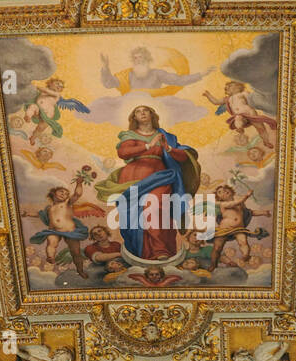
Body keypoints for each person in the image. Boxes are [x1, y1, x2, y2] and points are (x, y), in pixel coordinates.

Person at [94, 105, 200, 261]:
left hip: (160, 176)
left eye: (146, 110)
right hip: (131, 178)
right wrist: (148, 145)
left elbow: (184, 156)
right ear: (134, 117)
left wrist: (168, 148)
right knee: (133, 215)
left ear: (152, 115)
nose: (142, 113)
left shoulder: (165, 136)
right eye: (138, 111)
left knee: (156, 207)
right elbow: (123, 152)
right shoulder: (129, 135)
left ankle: (160, 250)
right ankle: (139, 252)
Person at [25, 179, 90, 277]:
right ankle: (50, 257)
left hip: (69, 231)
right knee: (51, 242)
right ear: (53, 193)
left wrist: (79, 183)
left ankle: (80, 270)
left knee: (76, 252)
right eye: (61, 192)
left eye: (66, 193)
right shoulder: (49, 208)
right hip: (54, 230)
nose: (64, 194)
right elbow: (39, 214)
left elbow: (77, 194)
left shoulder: (67, 204)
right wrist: (27, 214)